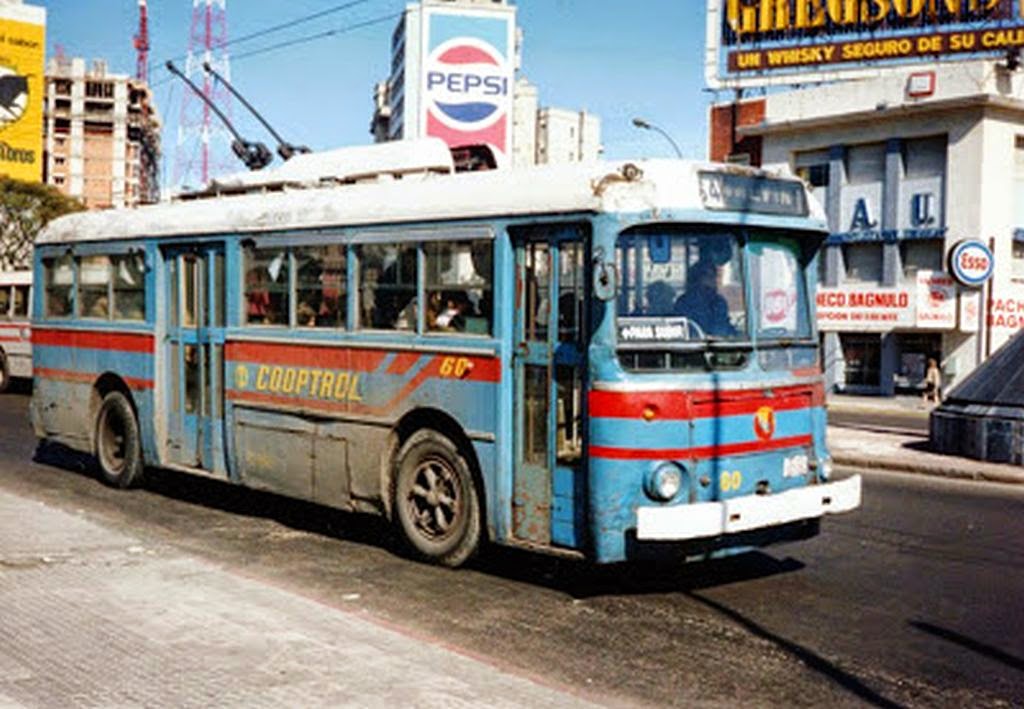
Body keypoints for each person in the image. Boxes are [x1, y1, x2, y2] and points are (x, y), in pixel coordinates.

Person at [673, 260, 735, 336]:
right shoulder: (684, 303)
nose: (713, 281)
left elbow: (722, 327)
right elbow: (681, 329)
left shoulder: (719, 302)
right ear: (697, 278)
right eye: (708, 276)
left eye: (714, 276)